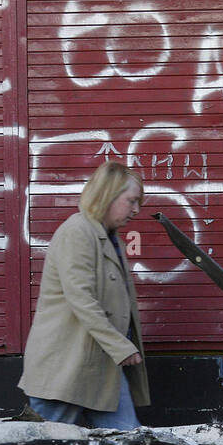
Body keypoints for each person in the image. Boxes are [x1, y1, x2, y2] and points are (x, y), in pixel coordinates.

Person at [18, 161, 150, 429]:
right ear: (108, 195)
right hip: (65, 369)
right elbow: (82, 300)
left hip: (101, 369)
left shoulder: (106, 236)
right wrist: (121, 346)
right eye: (131, 201)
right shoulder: (78, 232)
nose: (136, 210)